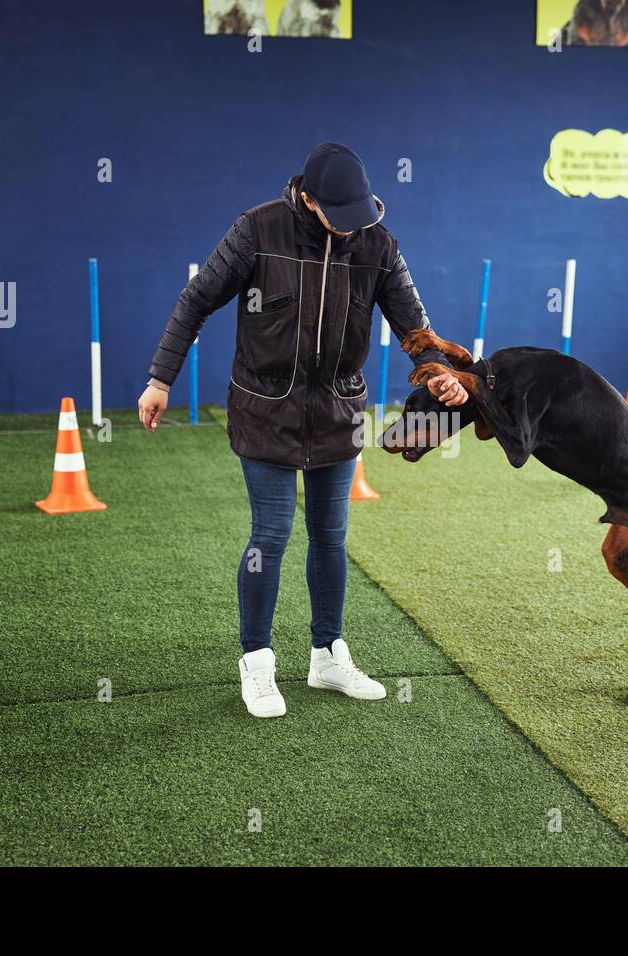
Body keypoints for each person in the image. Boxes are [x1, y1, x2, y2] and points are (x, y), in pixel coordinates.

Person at [138, 143, 468, 718]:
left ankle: (327, 655)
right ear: (308, 198)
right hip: (265, 410)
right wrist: (160, 379)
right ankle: (257, 661)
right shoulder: (257, 230)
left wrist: (443, 373)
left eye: (359, 214)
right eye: (339, 215)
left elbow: (415, 328)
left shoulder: (379, 245)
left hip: (340, 412)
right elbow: (195, 302)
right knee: (270, 535)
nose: (351, 228)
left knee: (332, 537)